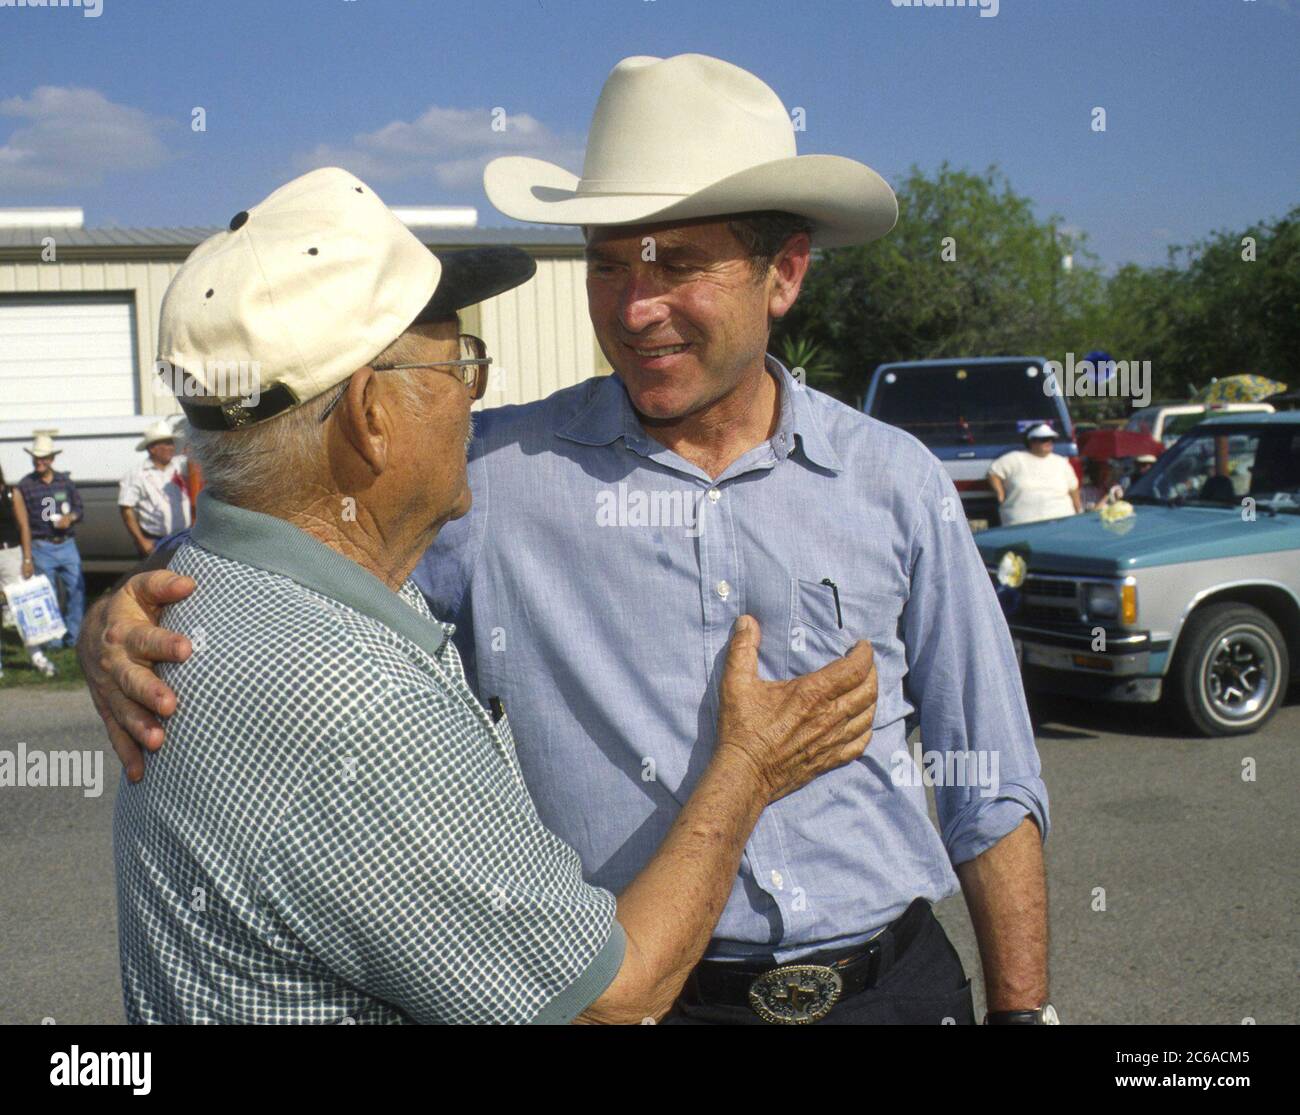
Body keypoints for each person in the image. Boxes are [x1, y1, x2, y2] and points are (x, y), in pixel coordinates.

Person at [84, 55, 1052, 1025]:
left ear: (784, 271)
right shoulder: (488, 477)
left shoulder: (894, 481)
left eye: (677, 262)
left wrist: (1021, 1009)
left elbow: (991, 774)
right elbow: (299, 553)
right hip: (630, 990)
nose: (634, 308)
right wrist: (131, 614)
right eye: (607, 259)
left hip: (891, 988)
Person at [18, 434, 85, 648]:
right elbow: (22, 521)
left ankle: (74, 636)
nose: (40, 462)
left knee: (76, 589)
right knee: (48, 595)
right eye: (36, 458)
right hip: (41, 545)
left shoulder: (65, 482)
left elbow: (79, 509)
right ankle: (53, 640)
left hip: (66, 543)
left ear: (51, 459)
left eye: (44, 458)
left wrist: (70, 518)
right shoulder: (25, 485)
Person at [0, 462, 57, 678]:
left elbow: (24, 526)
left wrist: (27, 558)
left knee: (21, 608)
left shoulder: (10, 494)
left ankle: (38, 657)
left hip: (11, 554)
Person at [118, 421, 191, 556]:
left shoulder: (180, 466)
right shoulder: (137, 474)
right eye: (167, 443)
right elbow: (126, 509)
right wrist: (141, 540)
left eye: (172, 443)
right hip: (156, 541)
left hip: (184, 538)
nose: (172, 447)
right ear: (152, 448)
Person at [988, 423, 1082, 526]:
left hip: (1061, 522)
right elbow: (994, 473)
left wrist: (1079, 513)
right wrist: (1000, 493)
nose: (1048, 442)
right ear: (1031, 441)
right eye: (1043, 439)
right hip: (1021, 523)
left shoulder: (1061, 462)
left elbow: (1073, 489)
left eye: (1051, 439)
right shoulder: (1014, 459)